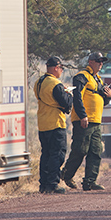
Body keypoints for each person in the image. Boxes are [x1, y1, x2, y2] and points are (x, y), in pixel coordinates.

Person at [61, 52, 111, 191]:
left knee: (96, 150)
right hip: (84, 120)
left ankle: (90, 182)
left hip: (96, 121)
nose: (100, 63)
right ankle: (66, 174)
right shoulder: (82, 77)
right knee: (80, 149)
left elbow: (103, 100)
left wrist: (109, 96)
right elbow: (77, 97)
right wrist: (83, 115)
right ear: (90, 62)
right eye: (98, 61)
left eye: (102, 61)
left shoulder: (98, 80)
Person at [35, 56, 73, 194]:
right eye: (61, 68)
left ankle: (43, 184)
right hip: (55, 123)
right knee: (57, 155)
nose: (62, 71)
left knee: (45, 154)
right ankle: (53, 184)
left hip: (43, 123)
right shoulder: (55, 84)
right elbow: (66, 103)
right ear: (56, 68)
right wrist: (69, 93)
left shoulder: (39, 82)